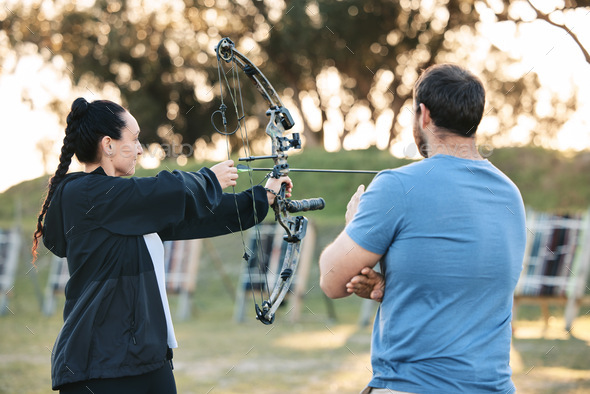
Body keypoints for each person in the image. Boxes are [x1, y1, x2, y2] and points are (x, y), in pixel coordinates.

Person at [31, 97, 292, 393]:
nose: (141, 149)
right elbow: (162, 191)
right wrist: (208, 179)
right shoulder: (85, 194)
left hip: (143, 356)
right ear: (108, 145)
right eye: (135, 139)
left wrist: (261, 197)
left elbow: (196, 216)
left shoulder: (125, 205)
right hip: (99, 365)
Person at [319, 64, 526, 394]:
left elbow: (331, 280)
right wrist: (393, 285)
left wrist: (353, 225)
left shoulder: (396, 186)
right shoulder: (509, 195)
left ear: (424, 115)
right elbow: (465, 281)